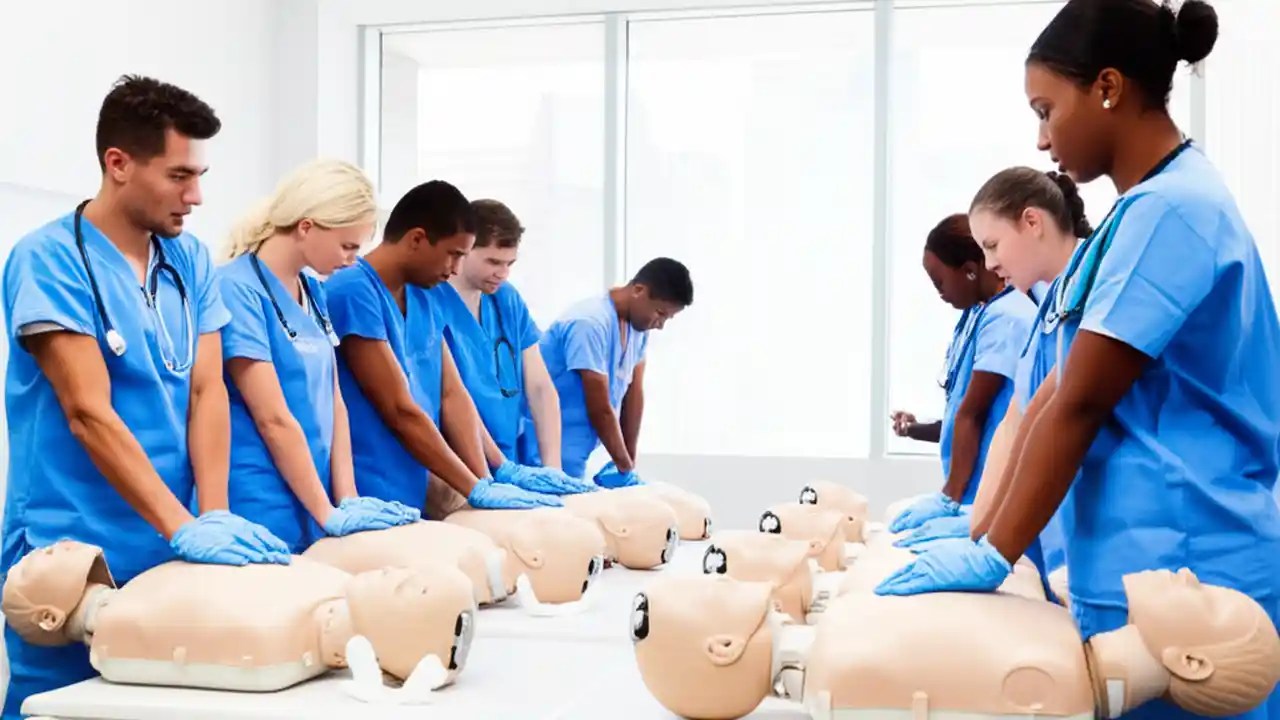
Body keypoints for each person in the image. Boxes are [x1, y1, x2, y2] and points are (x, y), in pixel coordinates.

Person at [878, 2, 1280, 717]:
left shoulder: (1173, 211)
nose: (1041, 137)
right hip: (1137, 569)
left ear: (1108, 88)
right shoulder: (1134, 217)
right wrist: (975, 525)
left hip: (1190, 582)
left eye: (1046, 109)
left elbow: (1080, 403)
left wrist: (994, 550)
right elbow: (1050, 396)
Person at [0, 75, 289, 717]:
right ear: (119, 164)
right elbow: (86, 411)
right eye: (179, 175)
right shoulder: (49, 259)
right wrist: (183, 525)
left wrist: (210, 518)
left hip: (170, 547)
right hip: (72, 553)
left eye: (201, 174)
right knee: (58, 708)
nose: (197, 196)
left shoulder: (188, 262)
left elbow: (208, 390)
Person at [324, 180, 572, 516]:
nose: (455, 269)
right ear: (416, 239)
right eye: (453, 254)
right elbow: (399, 409)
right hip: (369, 485)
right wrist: (472, 487)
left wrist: (487, 477)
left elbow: (451, 394)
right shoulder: (354, 290)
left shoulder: (424, 294)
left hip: (413, 482)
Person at [896, 169, 1095, 585]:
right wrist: (978, 529)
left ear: (1032, 222)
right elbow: (1017, 425)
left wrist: (987, 541)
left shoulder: (1089, 297)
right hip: (1050, 526)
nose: (990, 264)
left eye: (992, 246)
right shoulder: (1047, 308)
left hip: (1102, 529)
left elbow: (1056, 425)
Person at [216, 159, 421, 554]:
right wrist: (325, 512)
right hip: (262, 496)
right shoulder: (236, 289)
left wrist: (345, 498)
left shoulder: (312, 290)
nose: (353, 259)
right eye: (348, 246)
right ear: (306, 226)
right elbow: (272, 418)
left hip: (317, 493)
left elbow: (334, 400)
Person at [888, 215, 1036, 530]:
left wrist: (949, 497)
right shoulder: (979, 314)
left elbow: (974, 414)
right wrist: (915, 429)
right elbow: (961, 416)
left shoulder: (1008, 317)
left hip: (986, 499)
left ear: (970, 270)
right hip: (972, 497)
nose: (939, 293)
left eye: (939, 282)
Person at [429, 200, 588, 493]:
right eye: (493, 262)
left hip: (508, 461)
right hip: (455, 467)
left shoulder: (507, 299)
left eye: (509, 264)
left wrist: (553, 469)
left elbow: (540, 387)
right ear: (464, 249)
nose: (503, 273)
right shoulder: (430, 300)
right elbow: (449, 396)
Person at [526, 258, 693, 485]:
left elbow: (634, 392)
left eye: (667, 318)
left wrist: (629, 460)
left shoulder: (638, 328)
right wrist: (623, 464)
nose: (660, 324)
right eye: (660, 313)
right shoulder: (589, 323)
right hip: (540, 448)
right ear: (638, 290)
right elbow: (600, 407)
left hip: (575, 453)